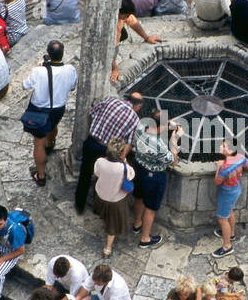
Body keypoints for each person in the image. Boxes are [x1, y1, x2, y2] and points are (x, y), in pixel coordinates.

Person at [75, 91, 143, 214]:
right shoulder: (135, 120)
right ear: (137, 106)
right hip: (108, 151)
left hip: (92, 142)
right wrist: (122, 158)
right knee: (102, 179)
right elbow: (129, 143)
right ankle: (98, 208)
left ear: (127, 99)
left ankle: (79, 205)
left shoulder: (110, 101)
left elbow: (92, 113)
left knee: (84, 174)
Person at [24, 39, 79, 186]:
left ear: (48, 54)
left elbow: (25, 85)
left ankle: (41, 175)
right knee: (53, 125)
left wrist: (40, 68)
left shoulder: (39, 71)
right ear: (62, 54)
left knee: (38, 143)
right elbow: (73, 87)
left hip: (40, 110)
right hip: (58, 108)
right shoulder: (70, 69)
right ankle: (51, 143)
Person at [130, 105, 180, 248]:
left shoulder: (141, 128)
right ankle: (145, 238)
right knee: (150, 208)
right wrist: (175, 139)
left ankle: (137, 224)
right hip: (154, 177)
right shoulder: (159, 145)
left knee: (138, 197)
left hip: (139, 169)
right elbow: (173, 161)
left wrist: (167, 123)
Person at [93, 138, 134, 259]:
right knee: (113, 225)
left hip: (101, 195)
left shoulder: (100, 161)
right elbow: (131, 176)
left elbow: (97, 173)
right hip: (116, 200)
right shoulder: (124, 168)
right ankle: (107, 248)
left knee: (105, 215)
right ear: (121, 153)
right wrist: (125, 161)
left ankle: (105, 221)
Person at [213, 140, 248, 258]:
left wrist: (218, 167)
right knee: (229, 211)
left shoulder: (225, 167)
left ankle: (227, 246)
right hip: (236, 189)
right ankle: (231, 233)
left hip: (227, 192)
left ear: (230, 151)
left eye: (224, 146)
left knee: (222, 219)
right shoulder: (241, 157)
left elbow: (217, 181)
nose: (221, 146)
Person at [110, 0, 162, 85]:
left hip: (117, 36)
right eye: (125, 16)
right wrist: (114, 69)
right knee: (113, 52)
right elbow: (109, 50)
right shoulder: (111, 24)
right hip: (111, 42)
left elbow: (134, 23)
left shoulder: (123, 15)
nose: (126, 18)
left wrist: (147, 37)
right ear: (118, 12)